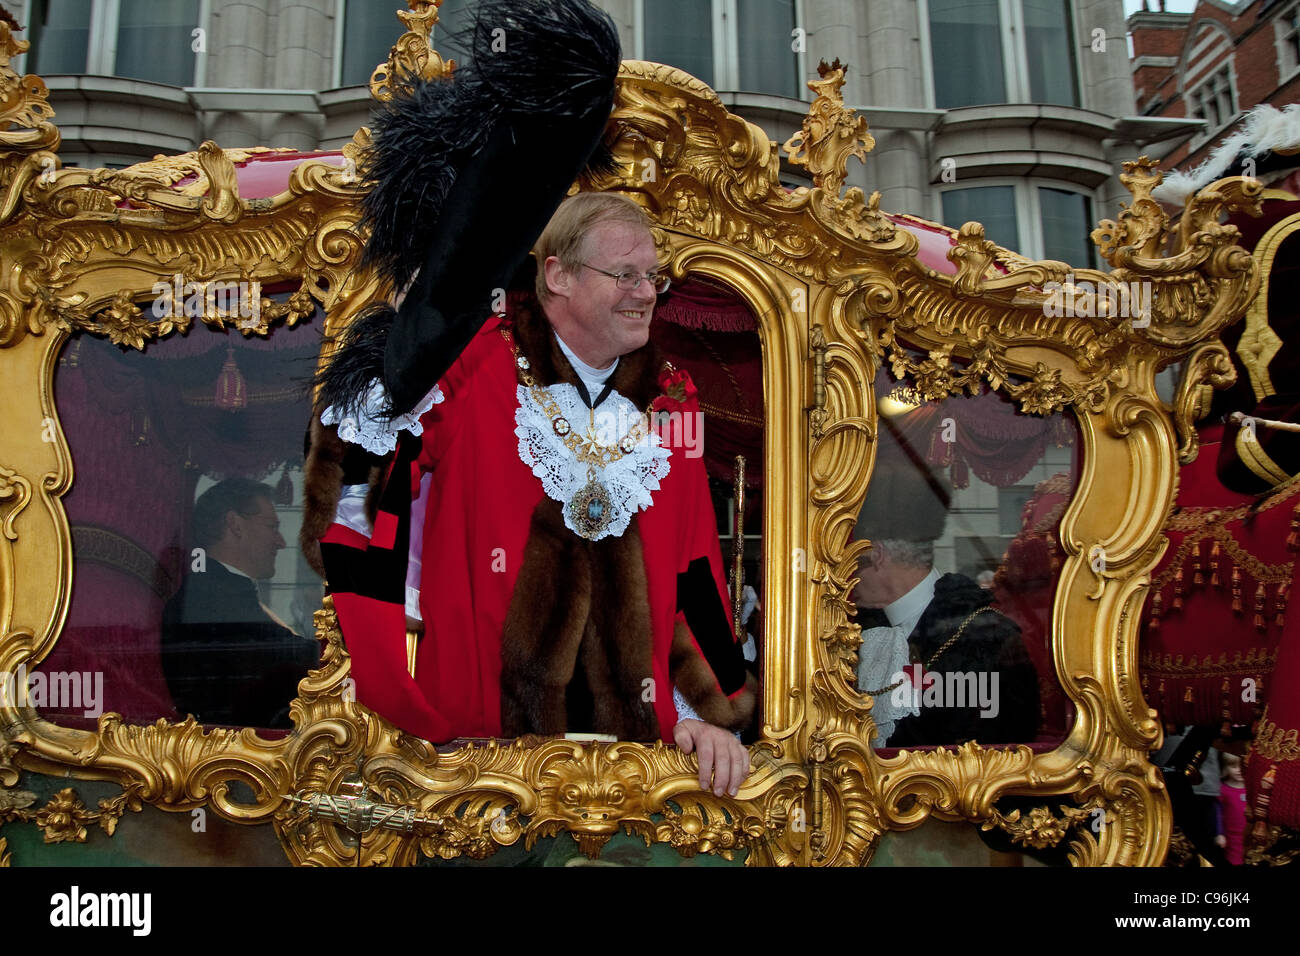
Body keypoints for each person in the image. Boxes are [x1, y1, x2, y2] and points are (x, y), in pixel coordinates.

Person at [301, 0, 754, 798]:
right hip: (475, 776)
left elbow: (694, 578)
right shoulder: (472, 369)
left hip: (631, 780)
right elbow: (356, 500)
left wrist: (701, 713)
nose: (648, 294)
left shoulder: (670, 405)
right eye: (626, 275)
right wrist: (395, 374)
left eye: (654, 276)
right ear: (558, 278)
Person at [853, 426, 1040, 748]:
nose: (849, 576)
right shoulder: (857, 629)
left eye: (854, 561)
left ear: (877, 555)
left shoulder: (985, 637)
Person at [160, 478, 320, 728]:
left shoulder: (217, 589)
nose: (280, 541)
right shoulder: (214, 596)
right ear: (234, 524)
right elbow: (283, 655)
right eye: (271, 526)